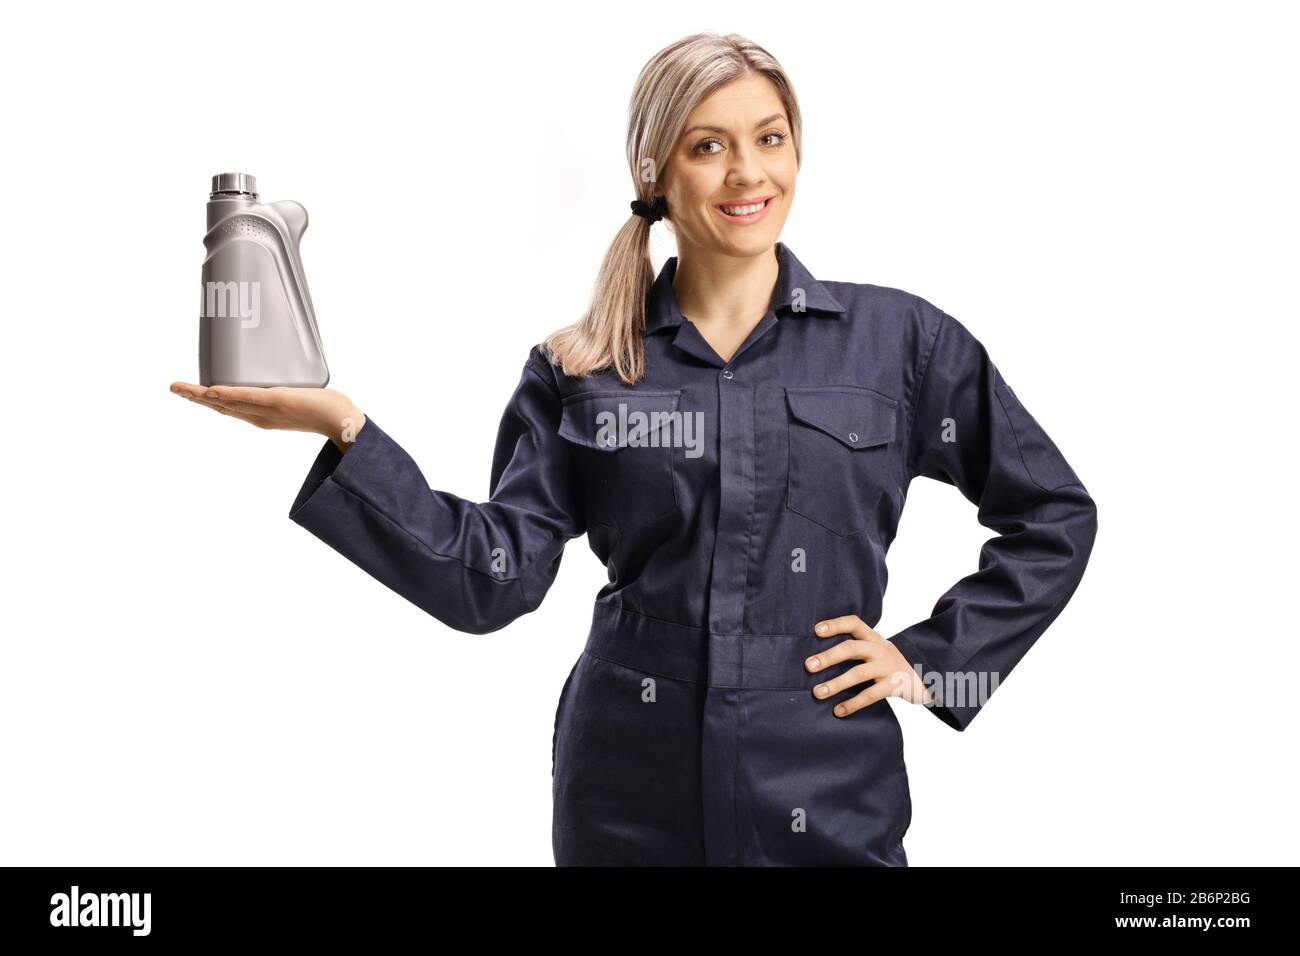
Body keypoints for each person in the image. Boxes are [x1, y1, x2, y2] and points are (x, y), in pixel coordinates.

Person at [170, 32, 1098, 866]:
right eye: (709, 146)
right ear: (656, 170)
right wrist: (345, 430)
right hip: (627, 785)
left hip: (825, 779)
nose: (747, 174)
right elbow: (491, 576)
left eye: (769, 138)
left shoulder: (900, 344)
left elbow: (1052, 512)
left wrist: (928, 661)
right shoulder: (584, 366)